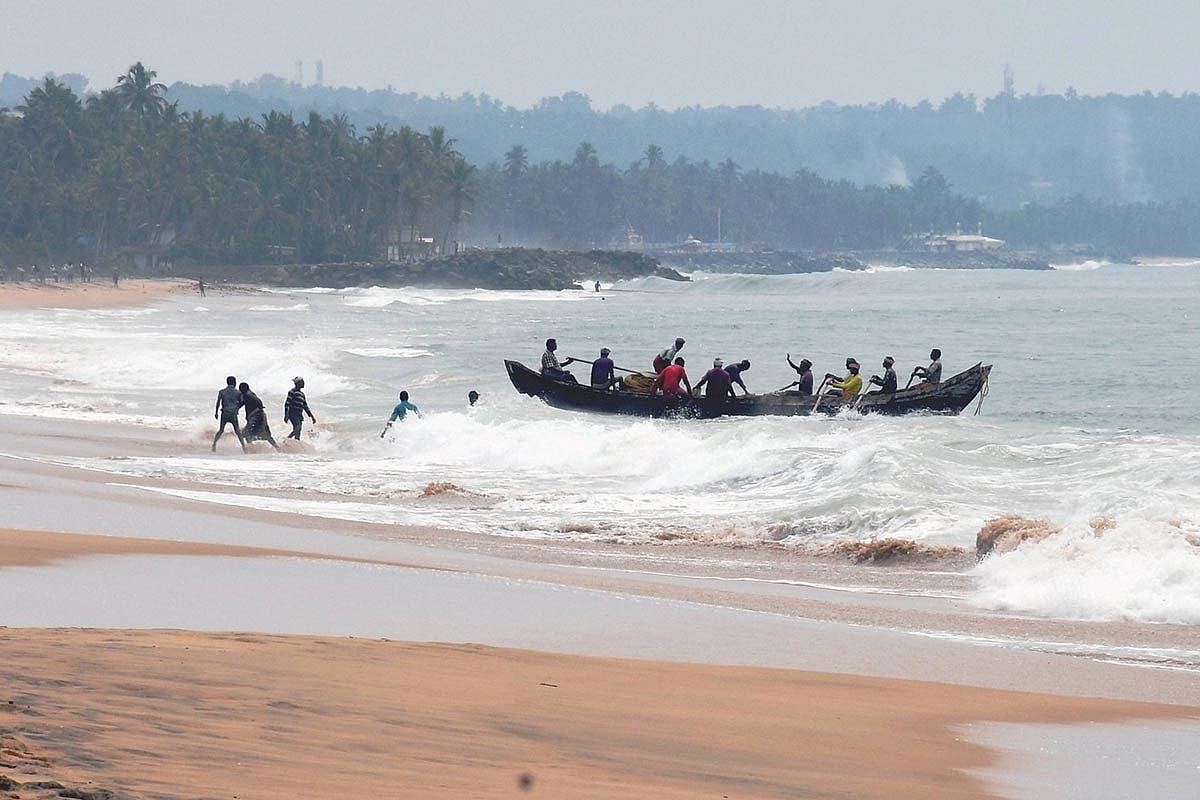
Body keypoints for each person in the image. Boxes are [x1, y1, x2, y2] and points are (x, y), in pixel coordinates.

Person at [212, 376, 246, 453]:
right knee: (237, 431)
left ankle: (214, 444)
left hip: (224, 413)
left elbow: (218, 403)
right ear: (234, 382)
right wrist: (237, 408)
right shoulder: (238, 392)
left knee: (221, 430)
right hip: (233, 414)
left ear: (227, 382)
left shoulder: (222, 391)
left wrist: (216, 412)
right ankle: (244, 447)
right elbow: (242, 402)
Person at [239, 382, 278, 449]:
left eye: (240, 390)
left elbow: (258, 403)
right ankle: (277, 448)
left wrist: (234, 408)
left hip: (256, 416)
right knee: (266, 434)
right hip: (259, 415)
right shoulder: (250, 394)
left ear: (243, 389)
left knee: (245, 434)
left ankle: (249, 449)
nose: (240, 392)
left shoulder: (247, 395)